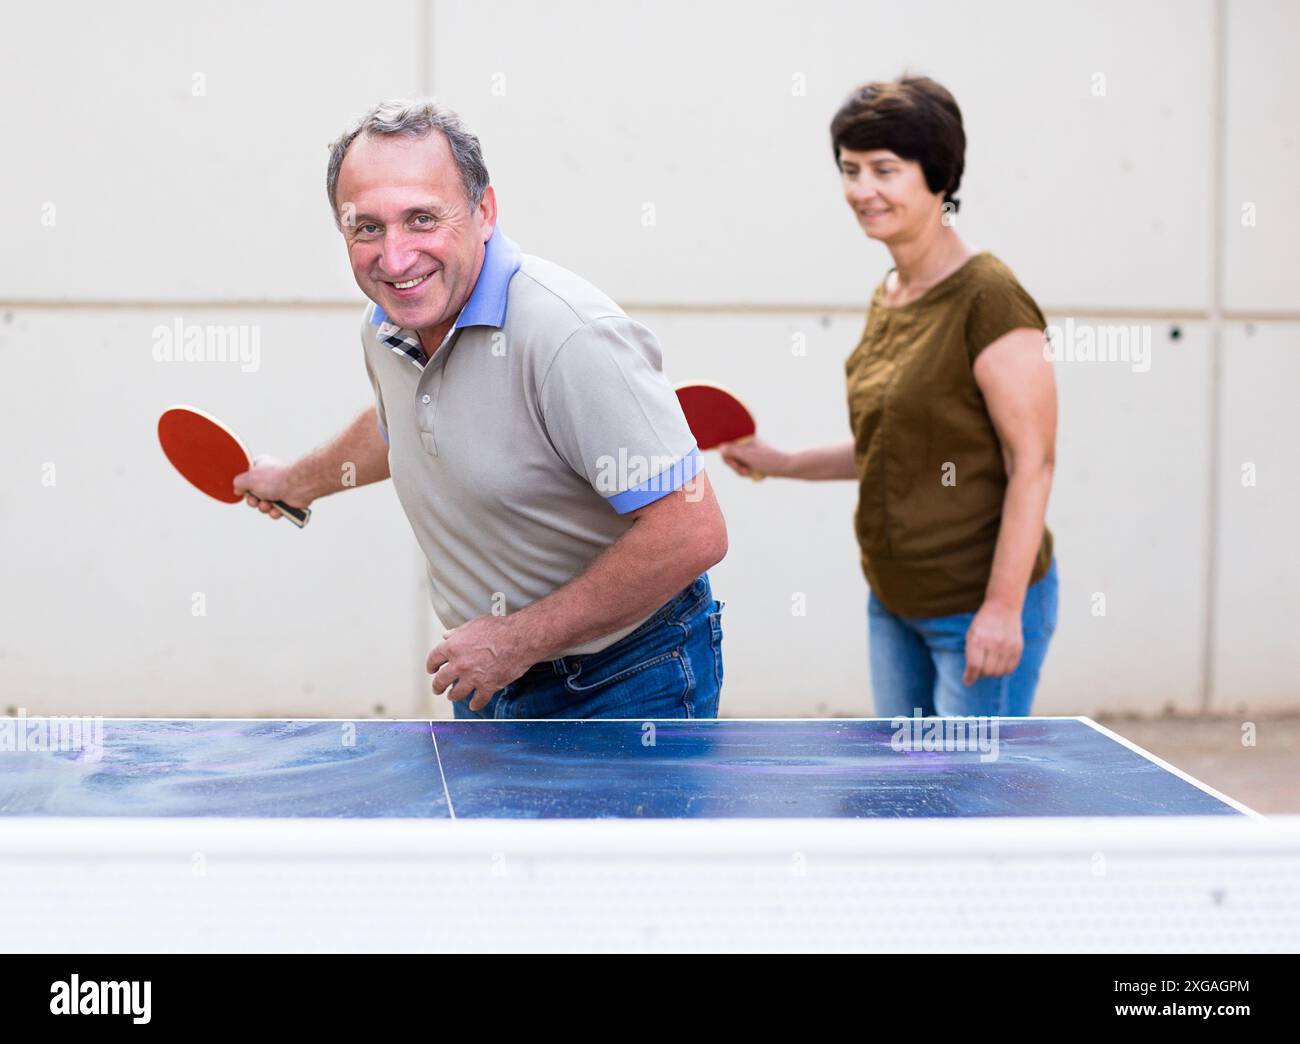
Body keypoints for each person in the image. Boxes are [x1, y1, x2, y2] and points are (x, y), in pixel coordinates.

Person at [235, 99, 728, 720]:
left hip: (630, 676)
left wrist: (518, 639)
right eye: (367, 227)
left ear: (484, 212)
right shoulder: (390, 323)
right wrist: (293, 483)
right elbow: (402, 424)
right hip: (491, 672)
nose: (394, 258)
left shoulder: (569, 337)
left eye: (421, 219)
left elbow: (693, 532)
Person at [721, 75, 1058, 717]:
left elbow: (1033, 462)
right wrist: (783, 462)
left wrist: (1003, 607)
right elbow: (898, 446)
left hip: (975, 611)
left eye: (884, 169)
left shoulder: (990, 297)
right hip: (894, 601)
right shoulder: (891, 292)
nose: (861, 190)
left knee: (965, 812)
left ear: (938, 176)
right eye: (850, 170)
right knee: (905, 809)